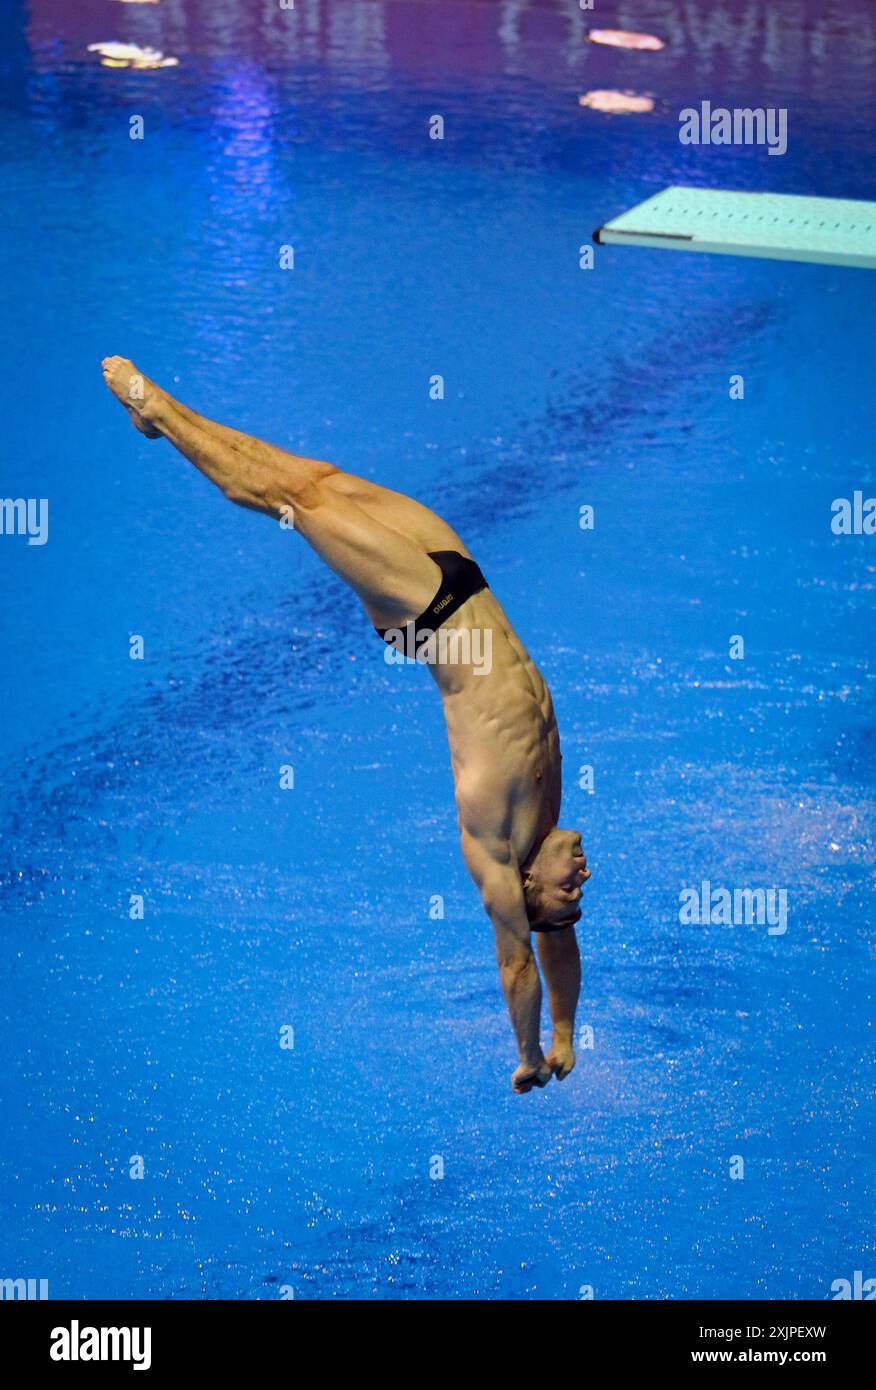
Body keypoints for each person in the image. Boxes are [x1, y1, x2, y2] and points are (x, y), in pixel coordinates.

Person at [102, 357, 591, 1093]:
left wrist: (525, 1056)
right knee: (319, 476)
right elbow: (555, 946)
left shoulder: (494, 841)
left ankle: (158, 409)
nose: (583, 879)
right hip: (463, 583)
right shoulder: (547, 821)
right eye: (578, 893)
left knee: (287, 498)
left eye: (570, 893)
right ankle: (161, 422)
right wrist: (561, 1032)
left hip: (429, 614)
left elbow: (519, 959)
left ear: (525, 889)